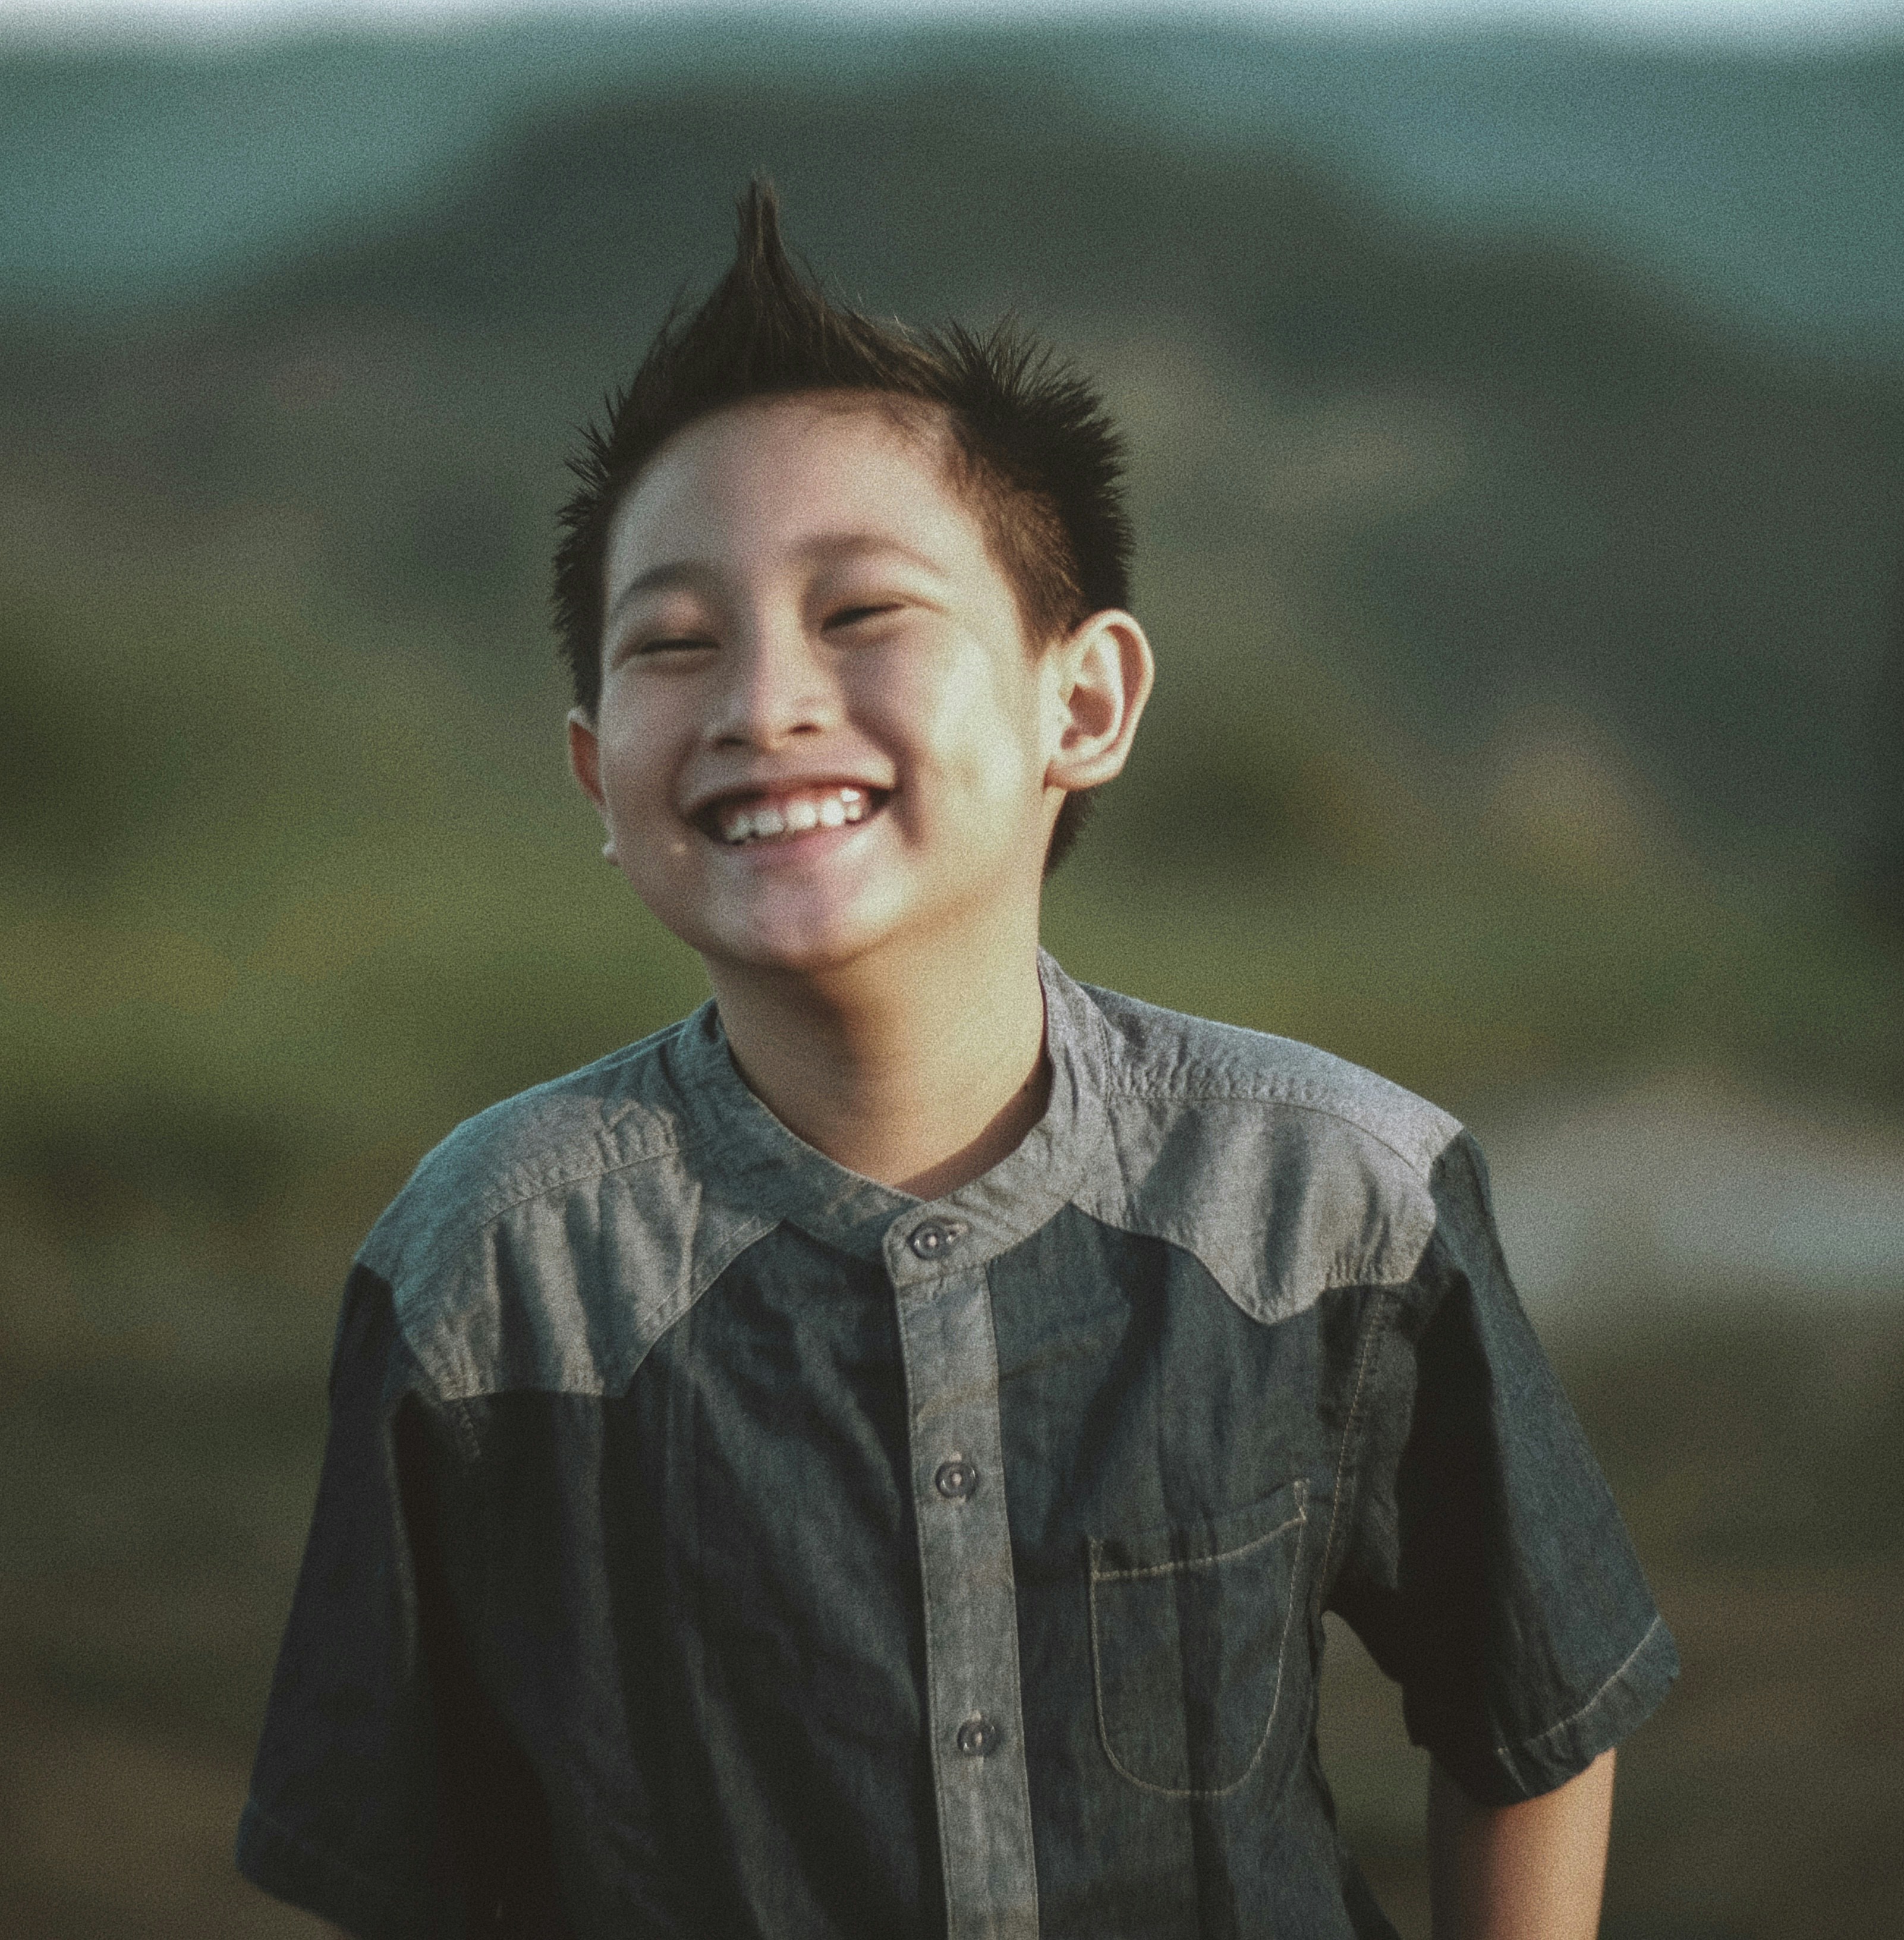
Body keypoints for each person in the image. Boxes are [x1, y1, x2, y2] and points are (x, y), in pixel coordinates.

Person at [235, 181, 1674, 1940]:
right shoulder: (490, 1271)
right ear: (597, 770)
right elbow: (402, 1859)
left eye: (862, 614)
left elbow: (1529, 1705)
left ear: (1084, 703)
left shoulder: (1334, 1197)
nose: (765, 699)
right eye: (676, 643)